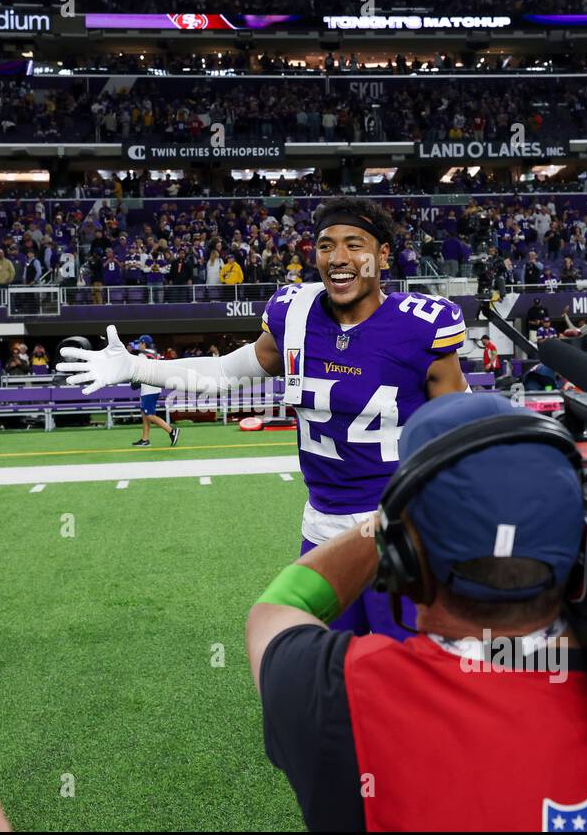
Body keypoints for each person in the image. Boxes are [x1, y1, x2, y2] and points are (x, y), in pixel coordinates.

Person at [245, 393, 587, 831]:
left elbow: (277, 610)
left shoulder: (346, 696)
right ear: (580, 552)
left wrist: (383, 523)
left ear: (405, 558)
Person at [61, 196, 468, 639]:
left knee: (406, 674)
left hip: (397, 526)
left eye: (355, 244)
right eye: (326, 245)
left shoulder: (419, 325)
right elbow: (224, 373)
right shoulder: (295, 312)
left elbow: (465, 426)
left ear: (383, 255)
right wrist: (140, 368)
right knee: (328, 669)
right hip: (322, 526)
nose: (339, 258)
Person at [129, 337, 179, 448]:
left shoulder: (142, 355)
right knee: (145, 414)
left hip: (148, 389)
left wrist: (134, 381)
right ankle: (145, 439)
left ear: (143, 343)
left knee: (149, 415)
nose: (139, 345)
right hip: (155, 387)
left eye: (140, 343)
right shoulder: (156, 354)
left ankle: (172, 431)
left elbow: (140, 372)